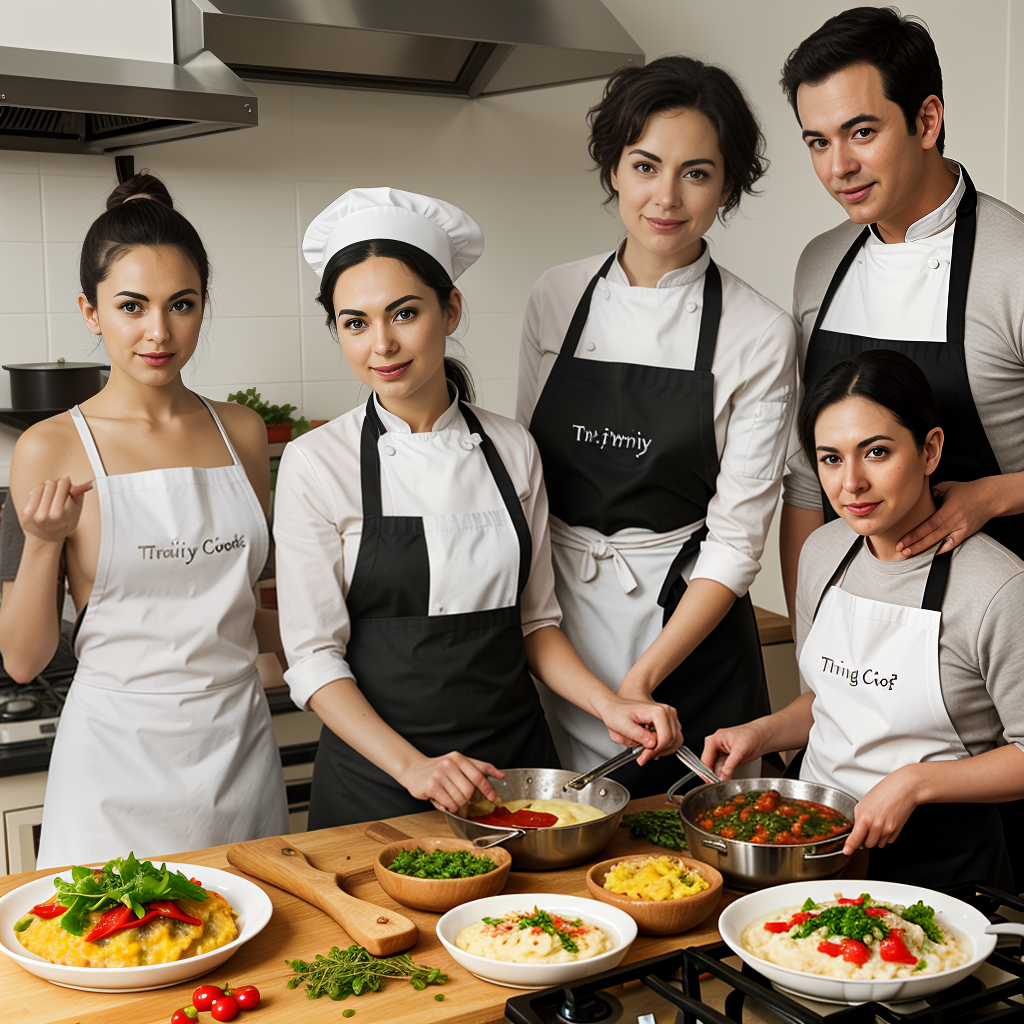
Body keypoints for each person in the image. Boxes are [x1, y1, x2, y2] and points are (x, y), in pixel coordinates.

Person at [273, 188, 681, 828]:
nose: (381, 344)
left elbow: (535, 624)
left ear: (451, 309)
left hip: (515, 775)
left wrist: (608, 707)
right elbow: (314, 659)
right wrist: (414, 767)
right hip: (379, 785)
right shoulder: (314, 463)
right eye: (355, 322)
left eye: (403, 313)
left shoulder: (514, 447)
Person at [777, 6, 1024, 888]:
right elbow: (812, 475)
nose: (837, 167)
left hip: (995, 618)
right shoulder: (819, 264)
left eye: (861, 133)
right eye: (815, 142)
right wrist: (821, 628)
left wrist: (995, 494)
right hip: (869, 605)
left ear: (927, 119)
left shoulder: (1014, 264)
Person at [516, 55, 797, 794]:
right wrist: (597, 685)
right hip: (562, 631)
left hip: (688, 633)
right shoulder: (556, 296)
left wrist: (641, 678)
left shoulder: (758, 330)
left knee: (698, 863)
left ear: (728, 186)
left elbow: (738, 535)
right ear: (613, 167)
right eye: (645, 165)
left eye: (697, 174)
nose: (665, 197)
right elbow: (527, 483)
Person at [0, 173, 288, 868]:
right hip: (115, 768)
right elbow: (23, 660)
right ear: (91, 311)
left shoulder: (242, 433)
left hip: (239, 751)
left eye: (180, 305)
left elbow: (257, 607)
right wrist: (41, 544)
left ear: (202, 307)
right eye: (132, 306)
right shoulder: (51, 445)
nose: (158, 332)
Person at [704, 349, 1022, 891]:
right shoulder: (825, 552)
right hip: (811, 849)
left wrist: (915, 784)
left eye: (875, 452)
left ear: (930, 450)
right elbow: (835, 702)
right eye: (831, 458)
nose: (850, 483)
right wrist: (760, 733)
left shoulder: (996, 586)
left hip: (940, 866)